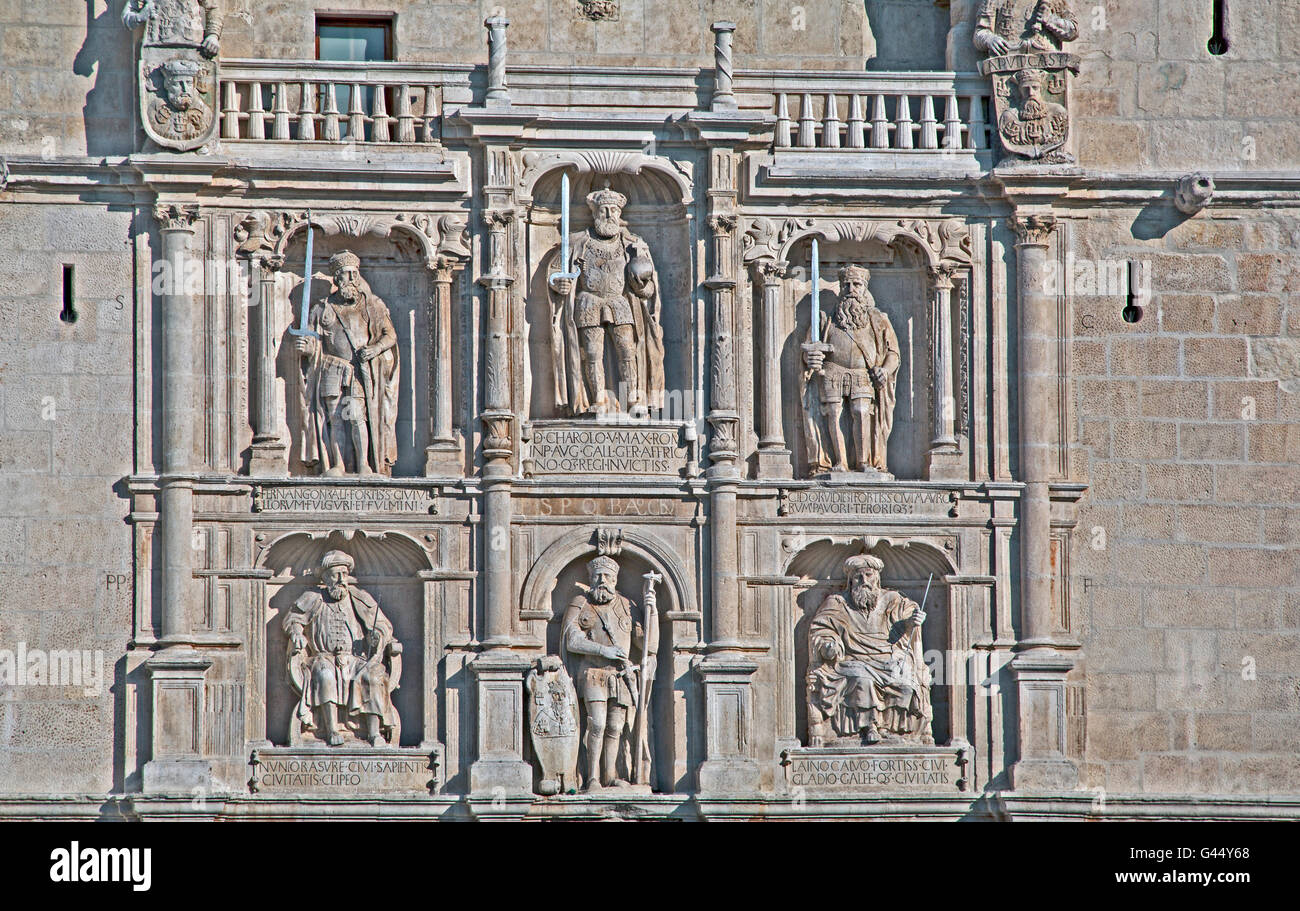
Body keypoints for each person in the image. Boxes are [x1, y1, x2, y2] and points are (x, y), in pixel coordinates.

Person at [548, 186, 664, 416]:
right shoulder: (577, 242)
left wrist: (642, 285)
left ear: (620, 213)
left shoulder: (633, 245)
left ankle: (633, 400)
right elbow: (554, 272)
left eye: (613, 210)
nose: (610, 215)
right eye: (604, 210)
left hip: (619, 302)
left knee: (627, 351)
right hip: (589, 302)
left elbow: (650, 290)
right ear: (595, 213)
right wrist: (558, 283)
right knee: (591, 352)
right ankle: (598, 399)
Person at [807, 554, 932, 746]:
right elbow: (821, 628)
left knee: (906, 683)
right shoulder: (837, 602)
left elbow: (907, 618)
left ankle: (892, 730)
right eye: (858, 576)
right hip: (852, 661)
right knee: (862, 680)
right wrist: (828, 645)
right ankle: (869, 727)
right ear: (850, 580)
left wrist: (912, 621)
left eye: (868, 575)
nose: (864, 581)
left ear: (877, 578)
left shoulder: (892, 599)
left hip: (887, 659)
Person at [295, 250, 400, 476]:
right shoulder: (322, 308)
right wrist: (306, 348)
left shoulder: (373, 304)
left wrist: (375, 349)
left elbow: (389, 335)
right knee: (333, 418)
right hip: (331, 367)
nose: (351, 279)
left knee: (355, 416)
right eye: (345, 274)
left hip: (359, 370)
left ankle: (363, 464)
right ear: (336, 279)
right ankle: (338, 465)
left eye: (354, 273)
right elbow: (316, 342)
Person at [284, 551, 402, 746]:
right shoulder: (313, 597)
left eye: (344, 574)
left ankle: (374, 734)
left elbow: (382, 625)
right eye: (335, 574)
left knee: (372, 677)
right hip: (323, 658)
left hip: (356, 660)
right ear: (325, 577)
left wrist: (377, 636)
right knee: (325, 676)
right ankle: (331, 731)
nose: (341, 579)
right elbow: (292, 619)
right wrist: (296, 633)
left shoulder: (359, 597)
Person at [560, 556, 654, 789]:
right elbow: (572, 640)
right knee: (598, 724)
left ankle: (610, 775)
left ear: (615, 579)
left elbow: (647, 645)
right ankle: (592, 777)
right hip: (592, 673)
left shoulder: (628, 605)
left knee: (615, 727)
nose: (602, 581)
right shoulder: (580, 602)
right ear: (591, 579)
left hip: (621, 676)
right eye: (598, 576)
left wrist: (651, 611)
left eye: (607, 576)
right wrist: (605, 651)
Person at [802, 265, 900, 473]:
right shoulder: (825, 319)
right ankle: (840, 462)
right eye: (846, 285)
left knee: (861, 411)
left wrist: (884, 370)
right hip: (832, 372)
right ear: (840, 288)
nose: (851, 289)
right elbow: (808, 348)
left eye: (857, 284)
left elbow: (893, 353)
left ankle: (863, 462)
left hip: (862, 374)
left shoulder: (878, 319)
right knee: (833, 413)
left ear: (864, 288)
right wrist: (811, 356)